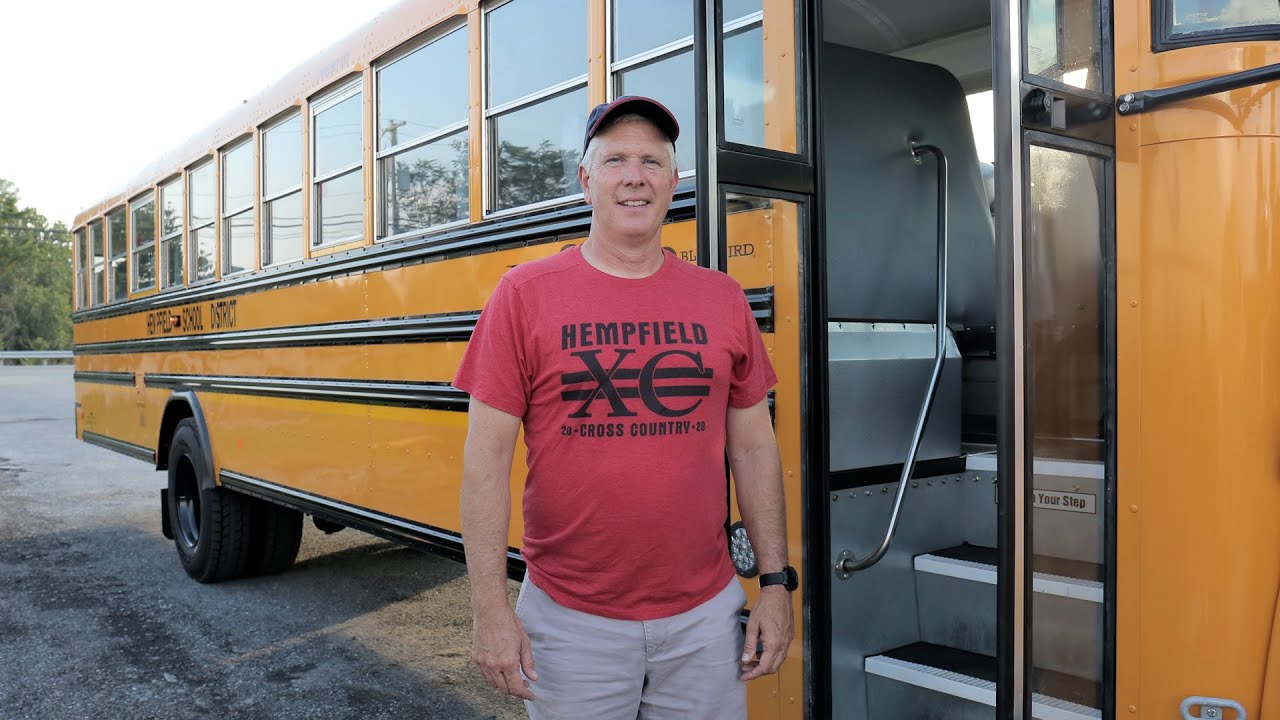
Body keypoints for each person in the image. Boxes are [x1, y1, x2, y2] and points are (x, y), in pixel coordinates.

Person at [455, 95, 795, 719]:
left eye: (651, 161)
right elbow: (484, 462)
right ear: (586, 180)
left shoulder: (721, 299)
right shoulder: (523, 296)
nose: (634, 176)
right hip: (570, 624)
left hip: (704, 619)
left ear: (672, 180)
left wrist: (774, 584)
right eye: (614, 160)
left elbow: (752, 447)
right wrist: (490, 610)